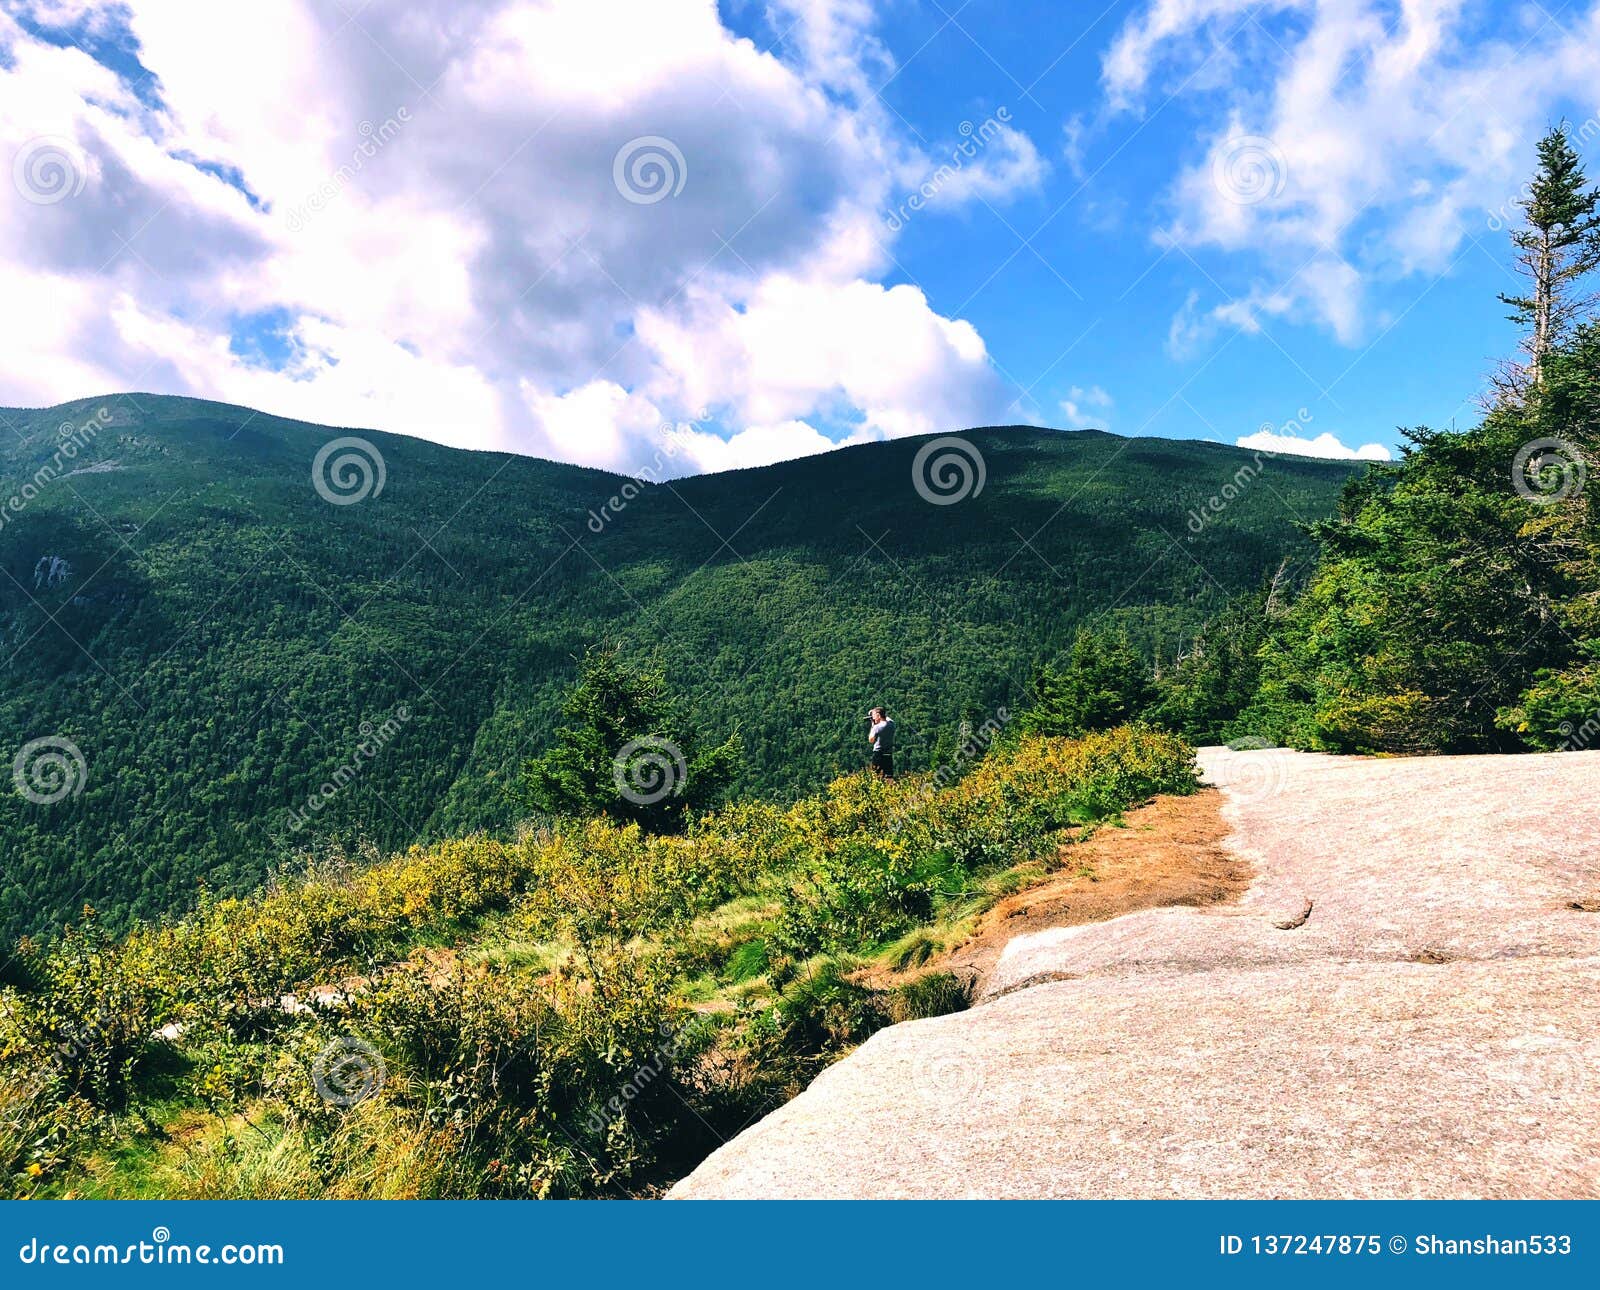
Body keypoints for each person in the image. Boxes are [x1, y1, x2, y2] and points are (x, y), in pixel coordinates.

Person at [866, 706, 895, 778]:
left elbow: (871, 739)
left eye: (874, 716)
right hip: (888, 753)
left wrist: (873, 725)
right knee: (889, 777)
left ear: (878, 715)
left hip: (878, 754)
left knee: (875, 775)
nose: (873, 718)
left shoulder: (877, 727)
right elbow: (887, 718)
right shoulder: (892, 724)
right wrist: (878, 713)